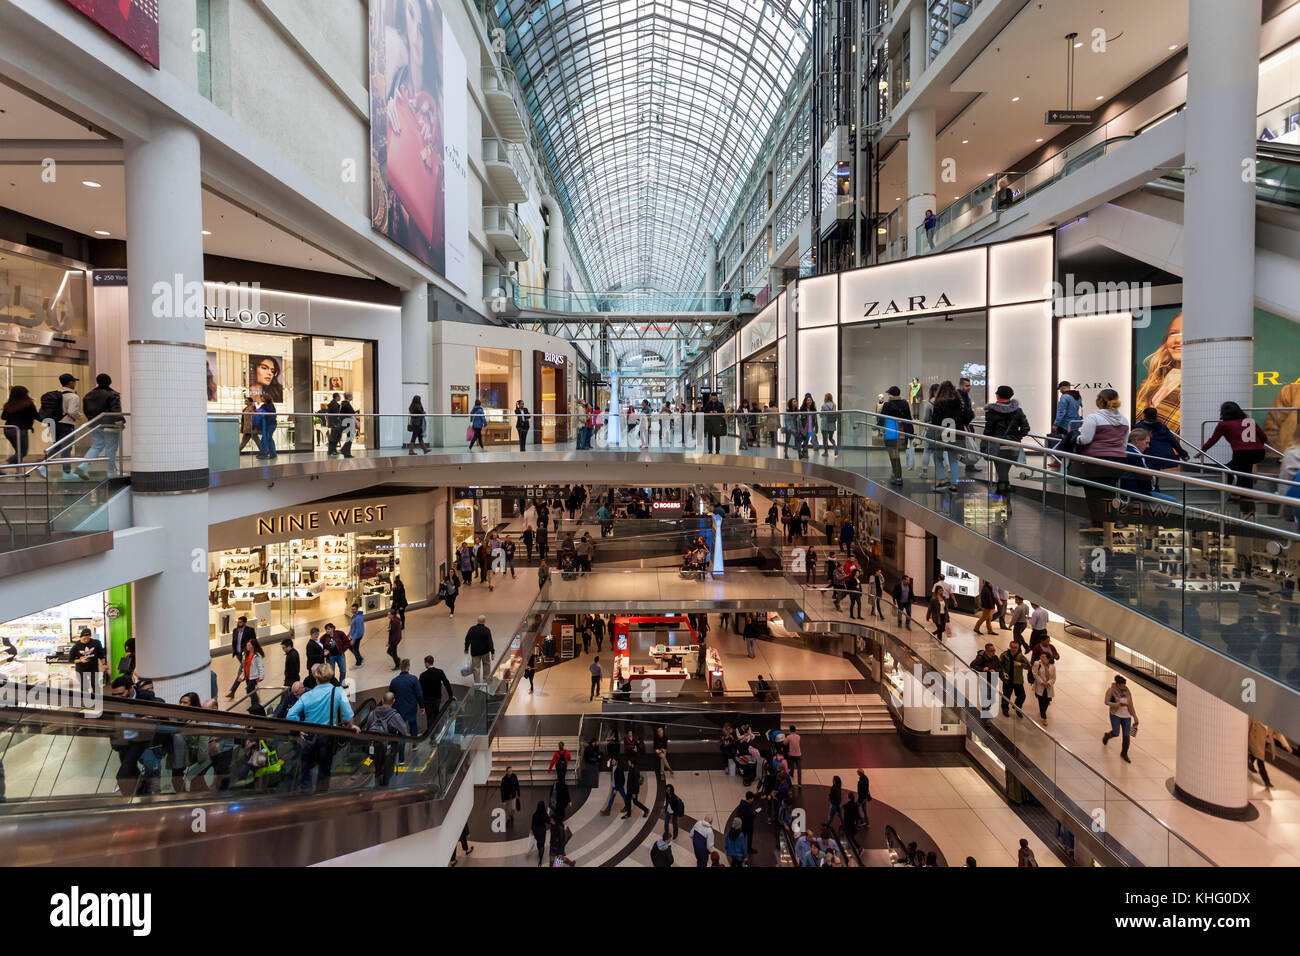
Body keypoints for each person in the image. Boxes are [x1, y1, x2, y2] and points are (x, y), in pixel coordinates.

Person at [286, 664, 360, 791]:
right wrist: (351, 725)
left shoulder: (307, 696)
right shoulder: (338, 692)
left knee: (306, 767)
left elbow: (290, 715)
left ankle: (305, 795)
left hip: (309, 736)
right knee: (324, 770)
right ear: (330, 677)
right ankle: (321, 795)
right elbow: (347, 715)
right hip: (327, 737)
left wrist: (300, 727)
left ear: (316, 679)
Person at [1077, 389, 1130, 528]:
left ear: (1099, 401)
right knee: (1110, 491)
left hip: (1096, 460)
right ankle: (1115, 520)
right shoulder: (1124, 420)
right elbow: (1124, 444)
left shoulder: (1093, 417)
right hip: (1118, 461)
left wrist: (1076, 438)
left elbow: (1085, 439)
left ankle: (1097, 523)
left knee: (1093, 493)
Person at [1202, 401, 1267, 508]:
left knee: (1233, 472)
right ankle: (1239, 495)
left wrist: (1202, 450)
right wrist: (1256, 446)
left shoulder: (1223, 424)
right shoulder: (1249, 421)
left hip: (1242, 453)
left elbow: (1213, 440)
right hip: (1259, 452)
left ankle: (1241, 499)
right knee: (1241, 472)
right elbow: (1263, 437)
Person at [983, 385, 1031, 494]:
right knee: (1004, 473)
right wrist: (1016, 437)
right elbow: (1026, 428)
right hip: (1013, 446)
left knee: (1002, 474)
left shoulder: (992, 411)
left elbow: (988, 430)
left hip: (998, 445)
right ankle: (1004, 500)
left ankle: (1002, 498)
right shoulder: (1018, 411)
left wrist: (987, 441)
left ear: (998, 395)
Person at [926, 380, 965, 491]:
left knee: (937, 456)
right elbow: (965, 416)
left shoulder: (939, 402)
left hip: (942, 431)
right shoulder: (958, 401)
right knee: (953, 458)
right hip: (955, 431)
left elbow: (936, 420)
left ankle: (942, 480)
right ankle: (954, 484)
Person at [879, 386, 914, 486]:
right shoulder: (905, 403)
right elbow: (909, 419)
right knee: (896, 453)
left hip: (891, 431)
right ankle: (896, 474)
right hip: (903, 432)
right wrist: (910, 434)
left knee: (893, 455)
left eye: (889, 393)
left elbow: (881, 418)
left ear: (891, 395)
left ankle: (898, 476)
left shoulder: (887, 405)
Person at [1101, 674, 1139, 763]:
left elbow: (1131, 705)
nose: (1124, 687)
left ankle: (1124, 753)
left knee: (1126, 735)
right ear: (1117, 684)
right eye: (1122, 685)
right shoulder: (1111, 690)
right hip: (1115, 715)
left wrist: (1135, 717)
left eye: (1125, 685)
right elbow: (1106, 702)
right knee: (1116, 732)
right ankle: (1107, 736)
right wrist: (1118, 704)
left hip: (1127, 716)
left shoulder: (1127, 692)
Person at [1248, 719, 1293, 788]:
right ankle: (1267, 781)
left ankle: (1250, 760)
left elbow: (1279, 734)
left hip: (1263, 742)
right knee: (1260, 761)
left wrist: (1286, 745)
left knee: (1256, 755)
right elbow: (1248, 726)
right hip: (1254, 740)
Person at [1, 386, 38, 465]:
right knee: (22, 452)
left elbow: (3, 417)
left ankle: (19, 472)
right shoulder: (28, 404)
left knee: (18, 452)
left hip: (8, 430)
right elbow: (36, 416)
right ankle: (3, 464)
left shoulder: (8, 405)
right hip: (19, 430)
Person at [389, 658, 424, 736]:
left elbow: (390, 696)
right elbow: (419, 694)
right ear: (409, 667)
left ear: (400, 668)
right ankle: (414, 743)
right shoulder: (414, 679)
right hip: (411, 708)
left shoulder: (394, 681)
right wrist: (422, 706)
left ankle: (401, 746)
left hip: (399, 709)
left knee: (401, 728)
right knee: (413, 724)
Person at [71, 626, 107, 699]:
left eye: (88, 638)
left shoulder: (96, 643)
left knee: (95, 684)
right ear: (81, 637)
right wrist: (81, 660)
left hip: (93, 667)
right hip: (81, 668)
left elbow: (101, 655)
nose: (86, 640)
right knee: (84, 685)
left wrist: (104, 664)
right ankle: (85, 700)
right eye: (84, 638)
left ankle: (97, 699)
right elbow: (71, 659)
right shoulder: (76, 646)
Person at [999, 639, 1030, 718]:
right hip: (1007, 680)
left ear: (1018, 648)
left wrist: (1020, 664)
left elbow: (1029, 666)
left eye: (1015, 647)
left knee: (1022, 696)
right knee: (1006, 695)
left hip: (1018, 680)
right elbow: (999, 665)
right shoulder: (1004, 655)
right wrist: (1003, 671)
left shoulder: (1021, 657)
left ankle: (1017, 707)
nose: (1013, 649)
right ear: (1010, 646)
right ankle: (1005, 708)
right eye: (1012, 647)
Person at [463, 615, 494, 683]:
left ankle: (477, 684)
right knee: (486, 665)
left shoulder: (472, 629)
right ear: (484, 621)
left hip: (475, 653)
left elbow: (467, 640)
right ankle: (486, 681)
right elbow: (490, 641)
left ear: (477, 621)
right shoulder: (486, 630)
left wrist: (466, 648)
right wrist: (492, 652)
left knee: (476, 668)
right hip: (485, 652)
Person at [1031, 650, 1056, 721]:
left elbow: (1053, 678)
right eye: (1041, 656)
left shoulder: (1052, 666)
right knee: (1041, 701)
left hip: (1048, 687)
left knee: (1047, 701)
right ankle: (1044, 717)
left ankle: (1042, 712)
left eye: (1043, 657)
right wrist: (1042, 682)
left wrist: (1048, 683)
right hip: (1040, 686)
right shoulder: (1037, 664)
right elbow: (1035, 674)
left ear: (1048, 658)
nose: (1041, 658)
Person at [531, 801, 549, 866]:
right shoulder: (545, 814)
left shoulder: (535, 815)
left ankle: (540, 852)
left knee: (538, 843)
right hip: (542, 831)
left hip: (537, 831)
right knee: (542, 845)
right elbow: (548, 821)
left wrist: (532, 830)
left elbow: (532, 824)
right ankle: (540, 860)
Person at [348, 602, 365, 667]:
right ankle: (360, 658)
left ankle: (359, 663)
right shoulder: (354, 616)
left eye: (354, 609)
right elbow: (353, 627)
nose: (353, 611)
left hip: (357, 636)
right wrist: (349, 633)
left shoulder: (358, 618)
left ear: (357, 609)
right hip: (354, 635)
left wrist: (353, 639)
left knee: (355, 649)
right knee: (350, 647)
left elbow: (358, 630)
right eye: (352, 609)